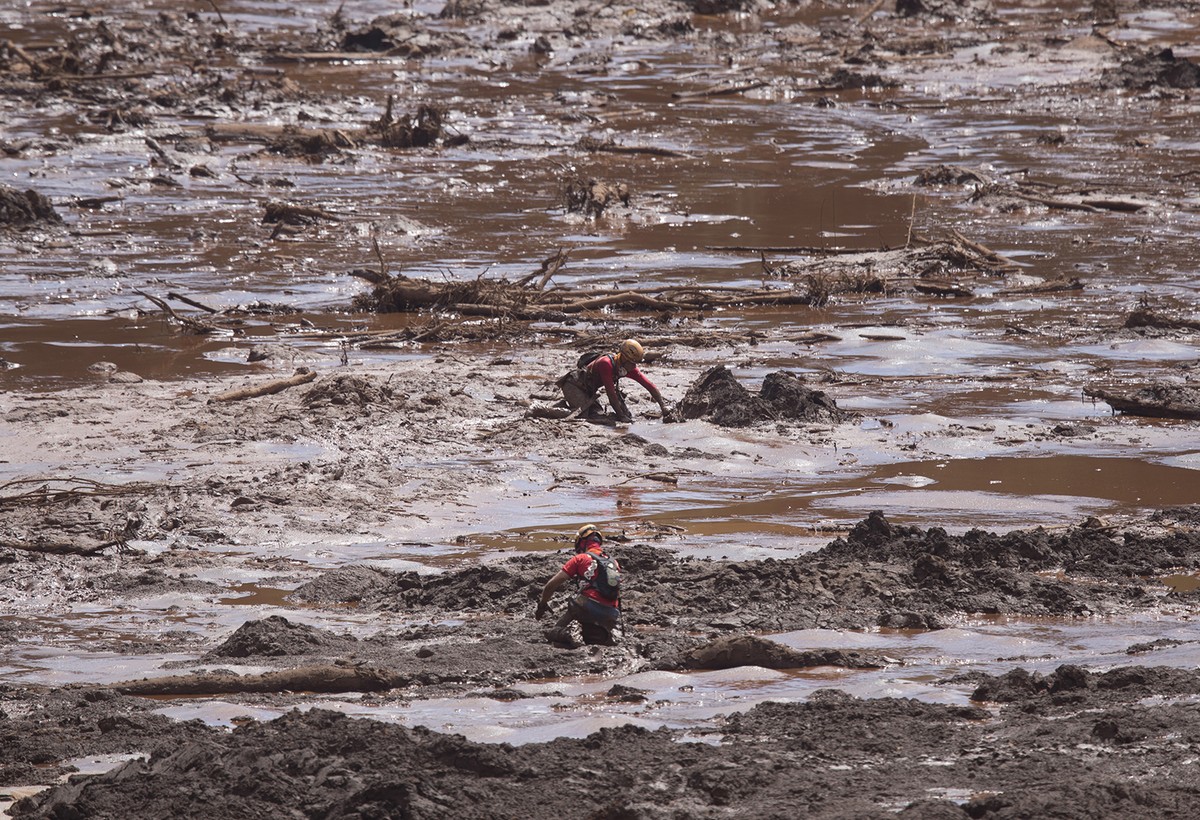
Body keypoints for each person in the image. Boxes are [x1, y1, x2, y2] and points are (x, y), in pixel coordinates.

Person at [535, 524, 621, 646]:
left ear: (581, 542)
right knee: (595, 639)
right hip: (611, 612)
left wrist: (542, 604)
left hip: (587, 605)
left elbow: (551, 585)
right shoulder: (614, 562)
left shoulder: (580, 558)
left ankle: (567, 633)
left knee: (554, 632)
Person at [556, 338, 668, 423]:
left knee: (598, 413)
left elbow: (649, 385)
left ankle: (570, 404)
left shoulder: (629, 368)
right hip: (573, 385)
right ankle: (558, 409)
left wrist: (663, 407)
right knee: (583, 415)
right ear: (623, 358)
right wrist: (621, 416)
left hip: (588, 390)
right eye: (632, 363)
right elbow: (611, 393)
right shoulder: (606, 364)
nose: (634, 367)